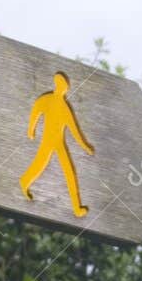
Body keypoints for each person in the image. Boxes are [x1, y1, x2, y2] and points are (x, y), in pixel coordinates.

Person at [19, 72, 94, 218]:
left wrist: (86, 147)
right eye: (61, 85)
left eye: (64, 87)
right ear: (57, 85)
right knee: (40, 165)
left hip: (58, 143)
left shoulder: (64, 107)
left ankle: (77, 208)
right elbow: (36, 110)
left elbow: (75, 131)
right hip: (48, 141)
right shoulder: (47, 99)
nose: (62, 88)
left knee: (68, 172)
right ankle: (24, 182)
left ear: (65, 89)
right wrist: (30, 130)